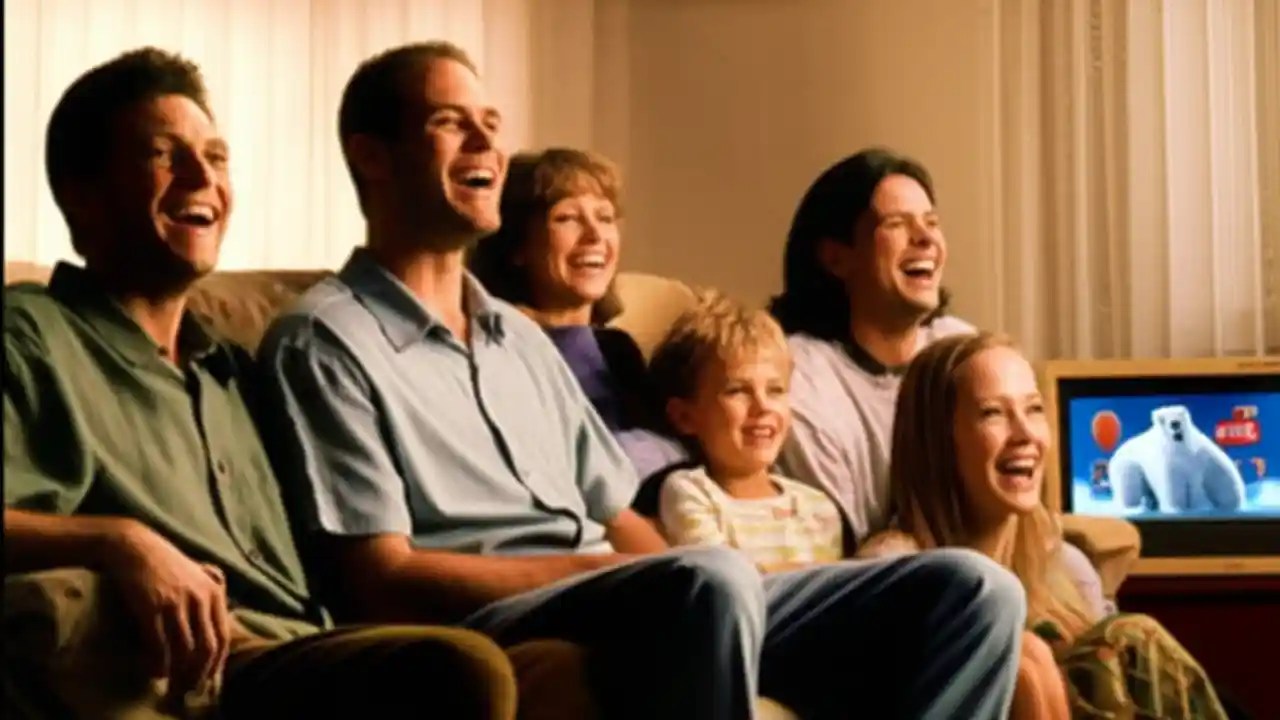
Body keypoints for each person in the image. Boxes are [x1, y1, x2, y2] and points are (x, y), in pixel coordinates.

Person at [253, 40, 1029, 720]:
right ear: (372, 155)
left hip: (646, 596)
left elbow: (617, 512)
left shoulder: (518, 338)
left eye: (491, 124)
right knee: (707, 580)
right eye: (450, 123)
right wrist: (644, 574)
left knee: (970, 591)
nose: (485, 141)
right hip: (498, 617)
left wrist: (675, 575)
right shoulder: (325, 341)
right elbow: (380, 578)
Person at [3, 47, 583, 720]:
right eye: (164, 155)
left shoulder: (234, 371)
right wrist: (118, 540)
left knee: (568, 669)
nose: (202, 178)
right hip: (203, 663)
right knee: (455, 671)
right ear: (83, 194)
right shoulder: (32, 336)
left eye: (216, 159)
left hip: (313, 639)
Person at [877, 331, 1229, 720]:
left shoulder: (1065, 565)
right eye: (992, 412)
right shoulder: (895, 571)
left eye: (1033, 409)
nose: (1026, 435)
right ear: (937, 439)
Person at [769, 148, 975, 547]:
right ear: (836, 258)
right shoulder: (797, 376)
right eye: (897, 224)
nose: (926, 238)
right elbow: (847, 549)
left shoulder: (963, 349)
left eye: (932, 222)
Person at [468, 148, 687, 483]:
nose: (595, 236)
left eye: (605, 217)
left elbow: (678, 454)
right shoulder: (498, 349)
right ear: (517, 246)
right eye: (567, 218)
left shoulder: (617, 348)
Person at [649, 292, 847, 568]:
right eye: (737, 391)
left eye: (776, 390)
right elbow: (729, 580)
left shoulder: (818, 508)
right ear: (685, 417)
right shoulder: (692, 492)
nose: (763, 406)